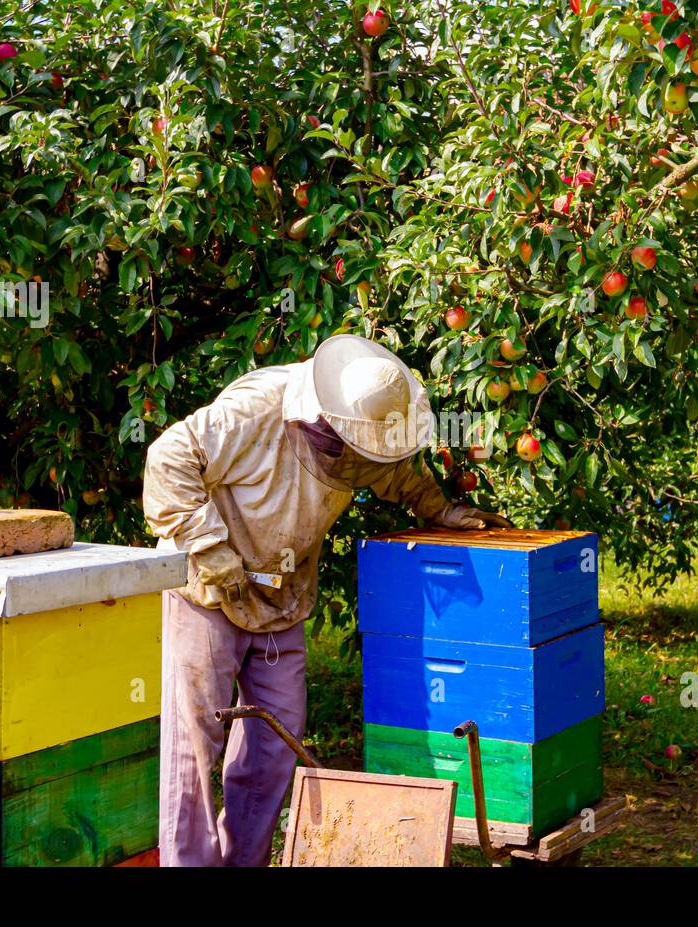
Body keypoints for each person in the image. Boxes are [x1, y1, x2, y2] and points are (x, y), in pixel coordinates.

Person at [142, 333, 509, 866]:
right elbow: (168, 459)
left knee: (276, 745)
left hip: (282, 597)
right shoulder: (257, 409)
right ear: (325, 419)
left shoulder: (360, 430)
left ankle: (245, 861)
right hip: (208, 593)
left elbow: (393, 471)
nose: (358, 460)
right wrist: (207, 544)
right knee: (194, 751)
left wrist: (440, 509)